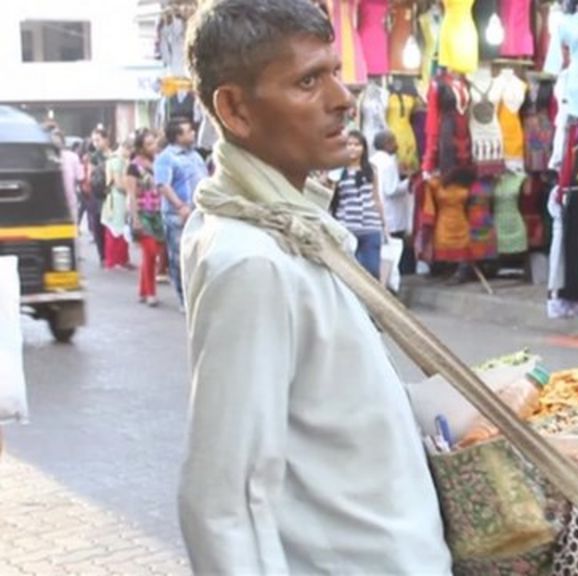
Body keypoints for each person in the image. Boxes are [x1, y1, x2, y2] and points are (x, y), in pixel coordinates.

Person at [178, 0, 451, 573]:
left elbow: (340, 408)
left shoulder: (286, 226)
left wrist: (482, 400)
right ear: (235, 108)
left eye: (334, 71)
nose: (342, 99)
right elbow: (220, 502)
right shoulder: (252, 260)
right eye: (307, 81)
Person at [155, 118, 207, 311]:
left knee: (200, 255)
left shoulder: (195, 156)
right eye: (188, 131)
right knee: (179, 258)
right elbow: (163, 185)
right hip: (178, 215)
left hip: (200, 213)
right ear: (177, 136)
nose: (193, 133)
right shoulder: (166, 158)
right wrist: (180, 206)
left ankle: (198, 296)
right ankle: (184, 299)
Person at [328, 129, 388, 278]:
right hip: (346, 227)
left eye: (357, 144)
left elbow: (375, 197)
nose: (353, 148)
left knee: (372, 271)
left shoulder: (371, 170)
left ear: (364, 148)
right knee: (349, 275)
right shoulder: (338, 170)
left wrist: (384, 224)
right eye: (349, 144)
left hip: (370, 226)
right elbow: (331, 197)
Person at [124, 128, 165, 306]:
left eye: (154, 142)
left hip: (158, 212)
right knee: (150, 252)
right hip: (142, 212)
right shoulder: (133, 167)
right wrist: (135, 219)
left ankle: (143, 289)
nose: (153, 146)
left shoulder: (160, 162)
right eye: (149, 144)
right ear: (141, 148)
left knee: (151, 254)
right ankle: (150, 292)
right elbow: (131, 195)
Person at [370, 130, 415, 275]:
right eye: (394, 141)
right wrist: (411, 181)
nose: (397, 145)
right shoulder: (388, 163)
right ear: (387, 144)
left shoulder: (373, 160)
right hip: (392, 213)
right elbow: (391, 190)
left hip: (382, 211)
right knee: (398, 247)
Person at [101, 138, 134, 270]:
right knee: (117, 230)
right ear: (126, 148)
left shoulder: (114, 159)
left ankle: (121, 259)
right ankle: (116, 260)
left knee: (120, 228)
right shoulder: (117, 161)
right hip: (117, 198)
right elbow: (119, 183)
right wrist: (130, 191)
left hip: (114, 197)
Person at [85, 128, 112, 264]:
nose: (96, 143)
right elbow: (90, 176)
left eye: (98, 140)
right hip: (98, 193)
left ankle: (112, 254)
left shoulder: (113, 154)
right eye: (94, 140)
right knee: (98, 223)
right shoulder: (94, 156)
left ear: (106, 139)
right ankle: (103, 255)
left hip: (112, 192)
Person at [51, 130, 84, 223]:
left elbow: (80, 177)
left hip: (64, 202)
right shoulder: (72, 157)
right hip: (66, 201)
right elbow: (80, 177)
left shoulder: (72, 157)